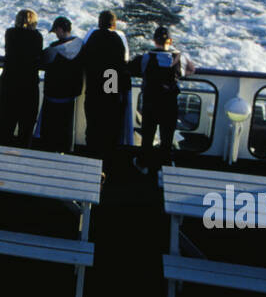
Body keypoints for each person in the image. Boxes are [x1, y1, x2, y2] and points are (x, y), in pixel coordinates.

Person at [131, 26, 196, 175]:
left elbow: (132, 68)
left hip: (150, 104)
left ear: (154, 41)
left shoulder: (146, 58)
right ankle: (164, 168)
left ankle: (144, 165)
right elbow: (191, 69)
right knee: (167, 139)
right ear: (170, 41)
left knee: (147, 137)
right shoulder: (180, 58)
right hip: (169, 104)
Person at [80, 11, 131, 157]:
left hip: (94, 84)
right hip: (111, 83)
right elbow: (124, 61)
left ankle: (91, 154)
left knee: (93, 123)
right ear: (114, 24)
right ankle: (108, 157)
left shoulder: (92, 35)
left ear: (99, 22)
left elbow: (83, 55)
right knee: (109, 122)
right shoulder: (119, 37)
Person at [0, 9, 43, 146]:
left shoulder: (10, 33)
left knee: (6, 129)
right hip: (28, 88)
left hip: (9, 85)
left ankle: (2, 160)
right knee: (26, 130)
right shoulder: (37, 37)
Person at [38, 17, 83, 153]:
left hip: (53, 95)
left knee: (49, 130)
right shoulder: (81, 45)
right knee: (66, 129)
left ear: (59, 29)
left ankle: (48, 154)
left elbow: (43, 61)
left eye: (55, 31)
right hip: (70, 95)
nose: (55, 34)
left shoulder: (53, 49)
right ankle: (64, 153)